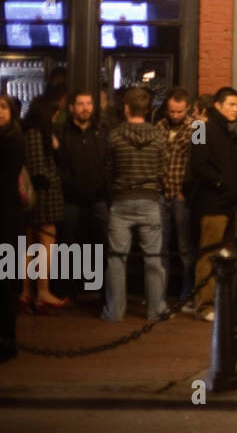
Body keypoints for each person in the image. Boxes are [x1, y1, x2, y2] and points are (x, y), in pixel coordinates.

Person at [102, 87, 168, 322]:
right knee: (153, 258)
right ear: (148, 109)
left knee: (117, 258)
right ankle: (155, 309)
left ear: (126, 108)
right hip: (150, 200)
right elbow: (163, 168)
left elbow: (108, 168)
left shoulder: (115, 135)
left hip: (121, 200)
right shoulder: (159, 135)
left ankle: (114, 311)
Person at [187, 87, 237, 322]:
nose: (235, 109)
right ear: (218, 105)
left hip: (228, 201)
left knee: (224, 254)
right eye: (231, 104)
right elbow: (198, 165)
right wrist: (222, 183)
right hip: (211, 202)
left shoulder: (231, 131)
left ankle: (219, 301)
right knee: (208, 254)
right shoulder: (200, 128)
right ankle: (204, 304)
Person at [56, 88, 110, 305]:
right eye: (80, 104)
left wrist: (104, 186)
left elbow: (108, 163)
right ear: (72, 108)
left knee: (103, 244)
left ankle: (104, 292)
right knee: (68, 246)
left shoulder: (101, 132)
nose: (85, 108)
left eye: (89, 104)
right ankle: (68, 290)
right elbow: (57, 165)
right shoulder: (62, 132)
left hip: (98, 198)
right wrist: (69, 183)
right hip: (70, 198)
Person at [21, 84, 68, 312]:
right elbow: (39, 170)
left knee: (30, 244)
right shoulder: (36, 134)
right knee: (44, 243)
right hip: (43, 197)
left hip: (36, 198)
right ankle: (41, 291)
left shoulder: (31, 131)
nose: (57, 116)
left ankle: (26, 292)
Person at [155, 88, 195, 309]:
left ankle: (187, 295)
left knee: (185, 249)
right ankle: (158, 295)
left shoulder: (197, 127)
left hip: (182, 196)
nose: (176, 115)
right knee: (160, 248)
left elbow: (200, 160)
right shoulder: (158, 126)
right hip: (161, 194)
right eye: (172, 111)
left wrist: (187, 190)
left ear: (187, 108)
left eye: (180, 111)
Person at [0, 95, 27, 360]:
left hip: (7, 221)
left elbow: (8, 177)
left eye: (2, 107)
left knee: (7, 284)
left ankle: (7, 339)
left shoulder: (14, 139)